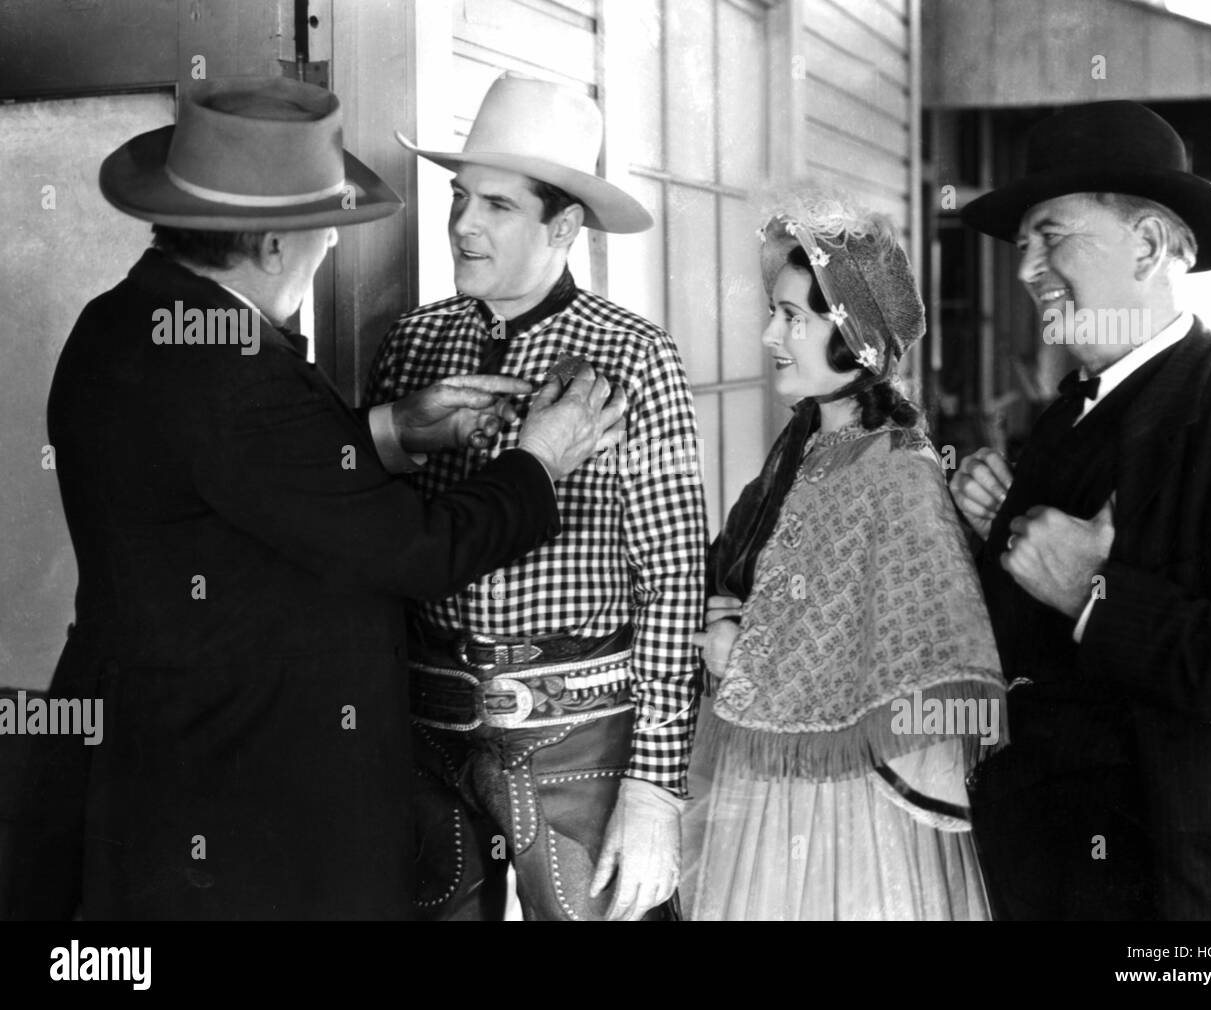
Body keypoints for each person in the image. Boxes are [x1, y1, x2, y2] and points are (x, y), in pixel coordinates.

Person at [3, 77, 625, 921]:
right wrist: (538, 461)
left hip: (156, 764)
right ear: (269, 244)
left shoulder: (122, 321)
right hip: (240, 795)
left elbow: (228, 479)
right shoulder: (232, 373)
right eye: (324, 227)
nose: (330, 246)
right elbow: (417, 551)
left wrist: (392, 430)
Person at [365, 73, 707, 921]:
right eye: (459, 199)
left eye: (498, 206)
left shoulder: (635, 357)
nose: (463, 226)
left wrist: (656, 786)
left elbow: (672, 581)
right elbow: (369, 545)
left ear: (563, 227)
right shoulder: (415, 344)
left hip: (580, 739)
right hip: (427, 730)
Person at [951, 100, 1211, 920]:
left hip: (1183, 900)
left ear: (1146, 245)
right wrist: (992, 536)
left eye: (1053, 236)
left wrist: (1093, 596)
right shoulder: (1065, 414)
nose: (1026, 266)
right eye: (1023, 242)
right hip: (1046, 867)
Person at [686, 191, 1005, 921]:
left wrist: (742, 652)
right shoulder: (808, 441)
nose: (770, 333)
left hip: (853, 807)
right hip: (781, 775)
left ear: (854, 335)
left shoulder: (896, 469)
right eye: (775, 311)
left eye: (793, 317)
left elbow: (922, 658)